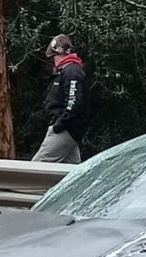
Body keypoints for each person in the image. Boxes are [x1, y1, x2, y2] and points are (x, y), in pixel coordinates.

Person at [32, 34, 87, 164]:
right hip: (68, 129)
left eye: (53, 58)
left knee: (37, 167)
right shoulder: (66, 70)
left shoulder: (71, 71)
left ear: (54, 54)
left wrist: (59, 125)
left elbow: (74, 102)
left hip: (65, 130)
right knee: (70, 173)